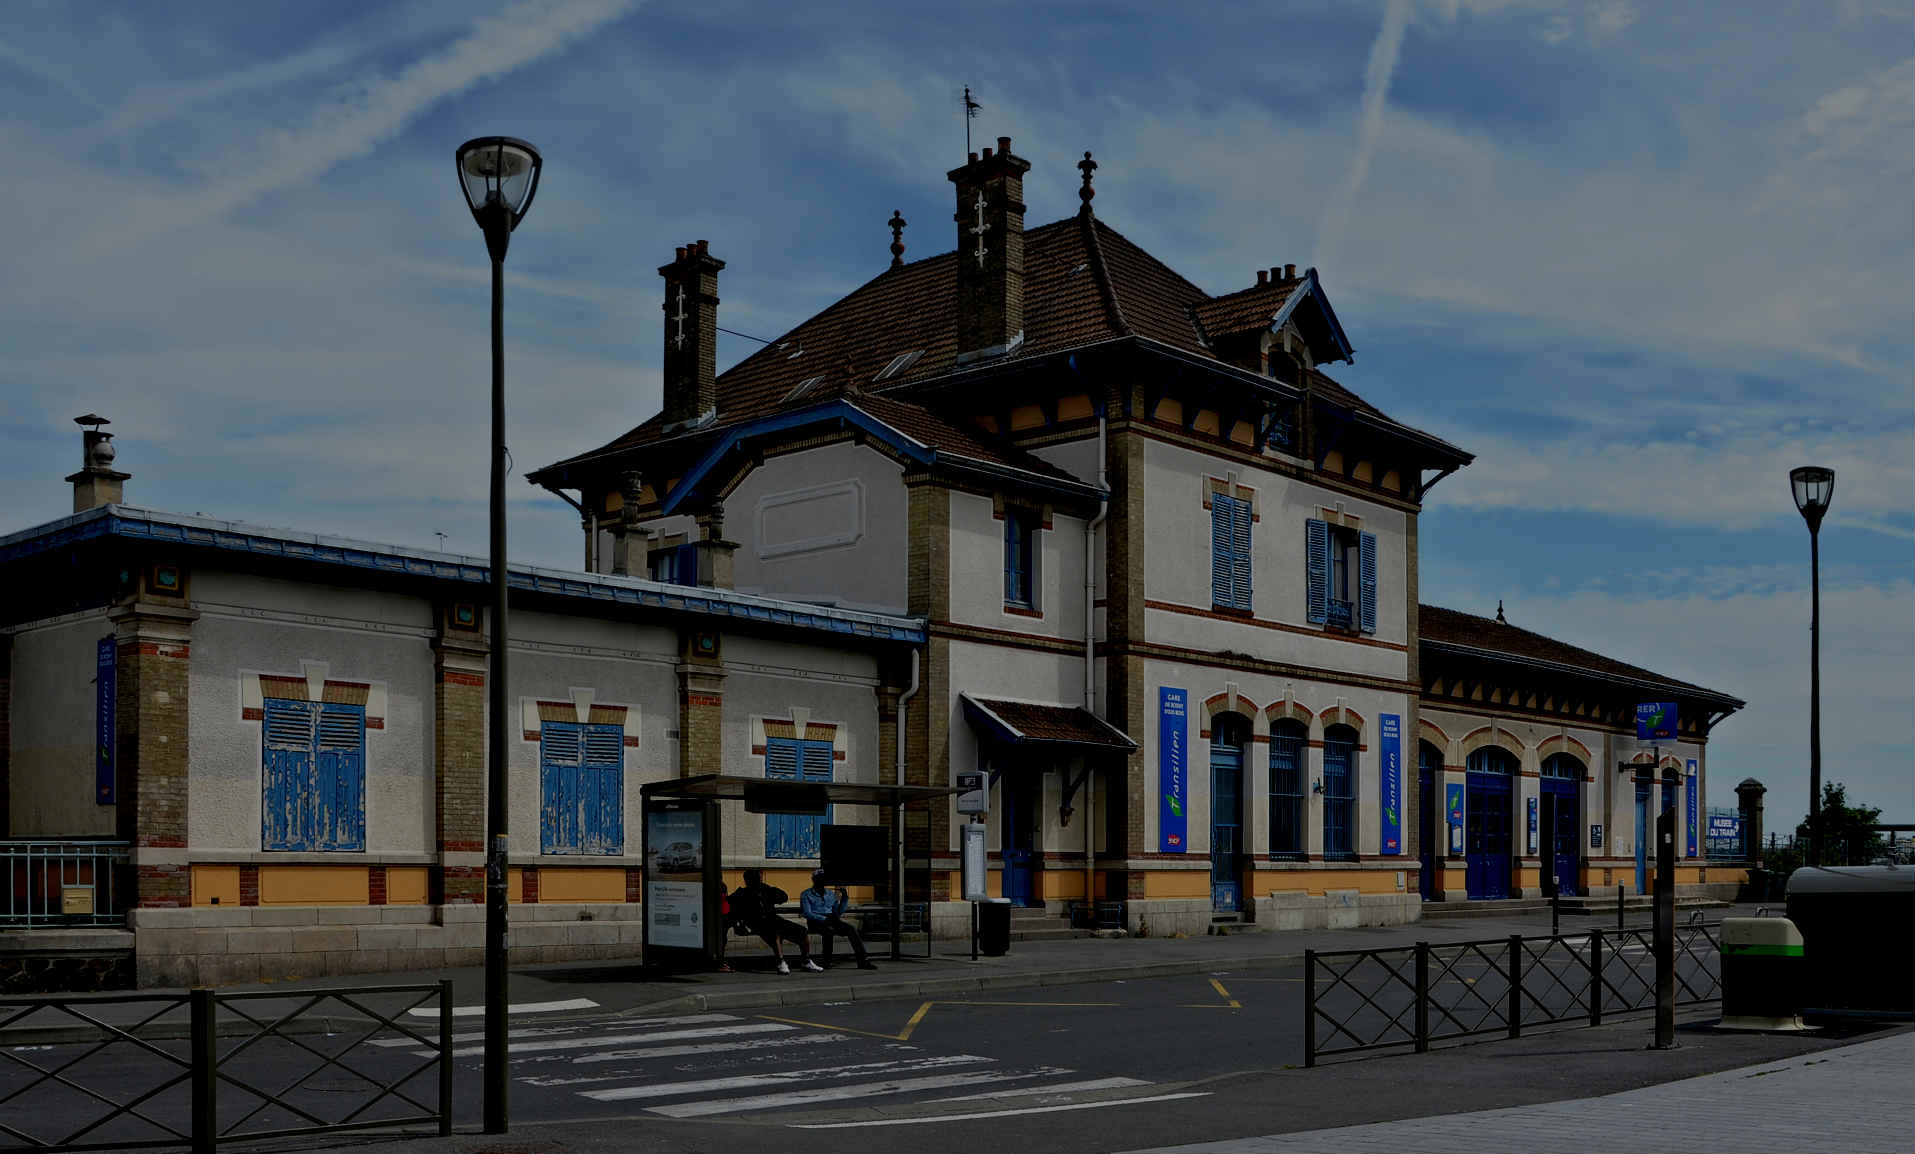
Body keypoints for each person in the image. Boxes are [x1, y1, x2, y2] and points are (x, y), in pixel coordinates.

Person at [731, 869, 820, 974]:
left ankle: (806, 961)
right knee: (774, 933)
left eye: (758, 879)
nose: (757, 881)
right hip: (756, 923)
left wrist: (769, 891)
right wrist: (739, 924)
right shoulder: (742, 893)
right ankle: (780, 962)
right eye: (754, 879)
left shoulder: (766, 889)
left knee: (802, 931)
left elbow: (783, 897)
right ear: (747, 880)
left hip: (774, 919)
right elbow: (732, 907)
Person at [801, 869, 875, 970]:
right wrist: (824, 919)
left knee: (851, 929)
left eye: (824, 879)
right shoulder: (806, 894)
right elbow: (807, 913)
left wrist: (844, 898)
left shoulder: (830, 894)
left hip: (831, 918)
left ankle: (863, 961)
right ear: (814, 880)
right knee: (828, 931)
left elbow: (838, 912)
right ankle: (827, 960)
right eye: (819, 879)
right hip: (816, 921)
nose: (822, 881)